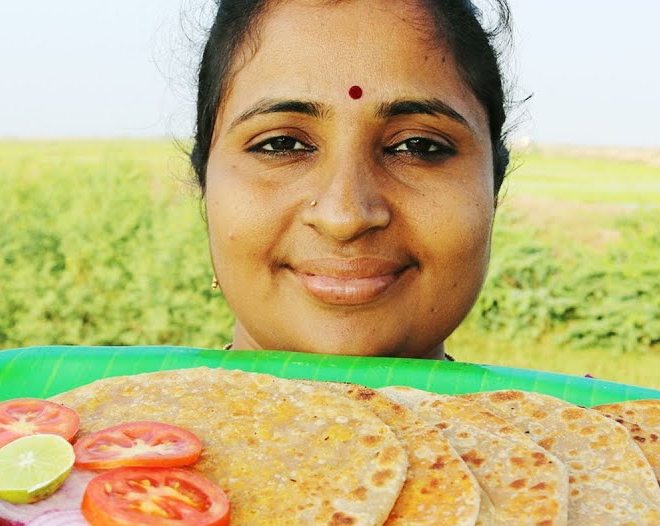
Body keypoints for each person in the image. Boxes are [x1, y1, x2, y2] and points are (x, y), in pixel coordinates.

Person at [188, 0, 514, 360]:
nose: (345, 218)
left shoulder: (577, 415)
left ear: (493, 185)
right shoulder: (117, 410)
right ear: (204, 179)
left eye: (417, 145)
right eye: (282, 144)